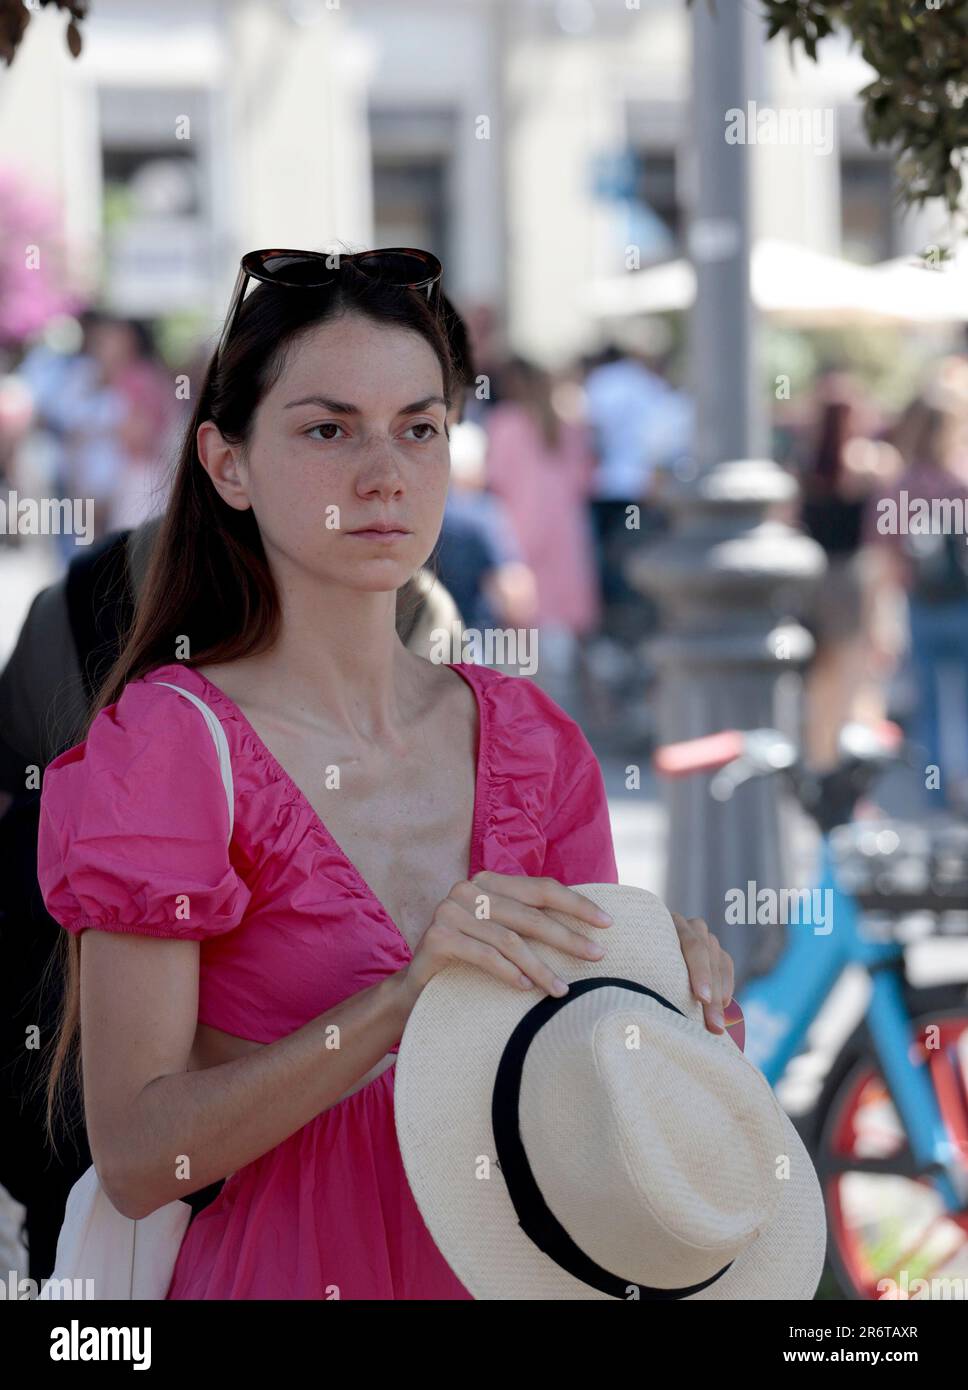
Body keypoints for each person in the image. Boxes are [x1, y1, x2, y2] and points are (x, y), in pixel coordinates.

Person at [34, 248, 734, 1300]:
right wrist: (401, 1002)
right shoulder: (170, 745)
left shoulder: (535, 743)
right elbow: (139, 1158)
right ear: (227, 464)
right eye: (328, 429)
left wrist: (661, 994)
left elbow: (582, 1082)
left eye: (419, 427)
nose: (384, 473)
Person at [862, 366, 968, 809]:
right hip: (961, 603)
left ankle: (935, 786)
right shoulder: (959, 482)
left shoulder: (900, 486)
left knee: (928, 700)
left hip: (920, 604)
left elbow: (881, 557)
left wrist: (878, 621)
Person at [482, 355, 602, 714]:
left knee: (520, 634)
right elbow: (584, 480)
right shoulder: (569, 426)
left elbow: (495, 480)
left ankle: (526, 715)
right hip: (566, 533)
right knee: (558, 631)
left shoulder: (505, 424)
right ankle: (560, 713)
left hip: (517, 530)